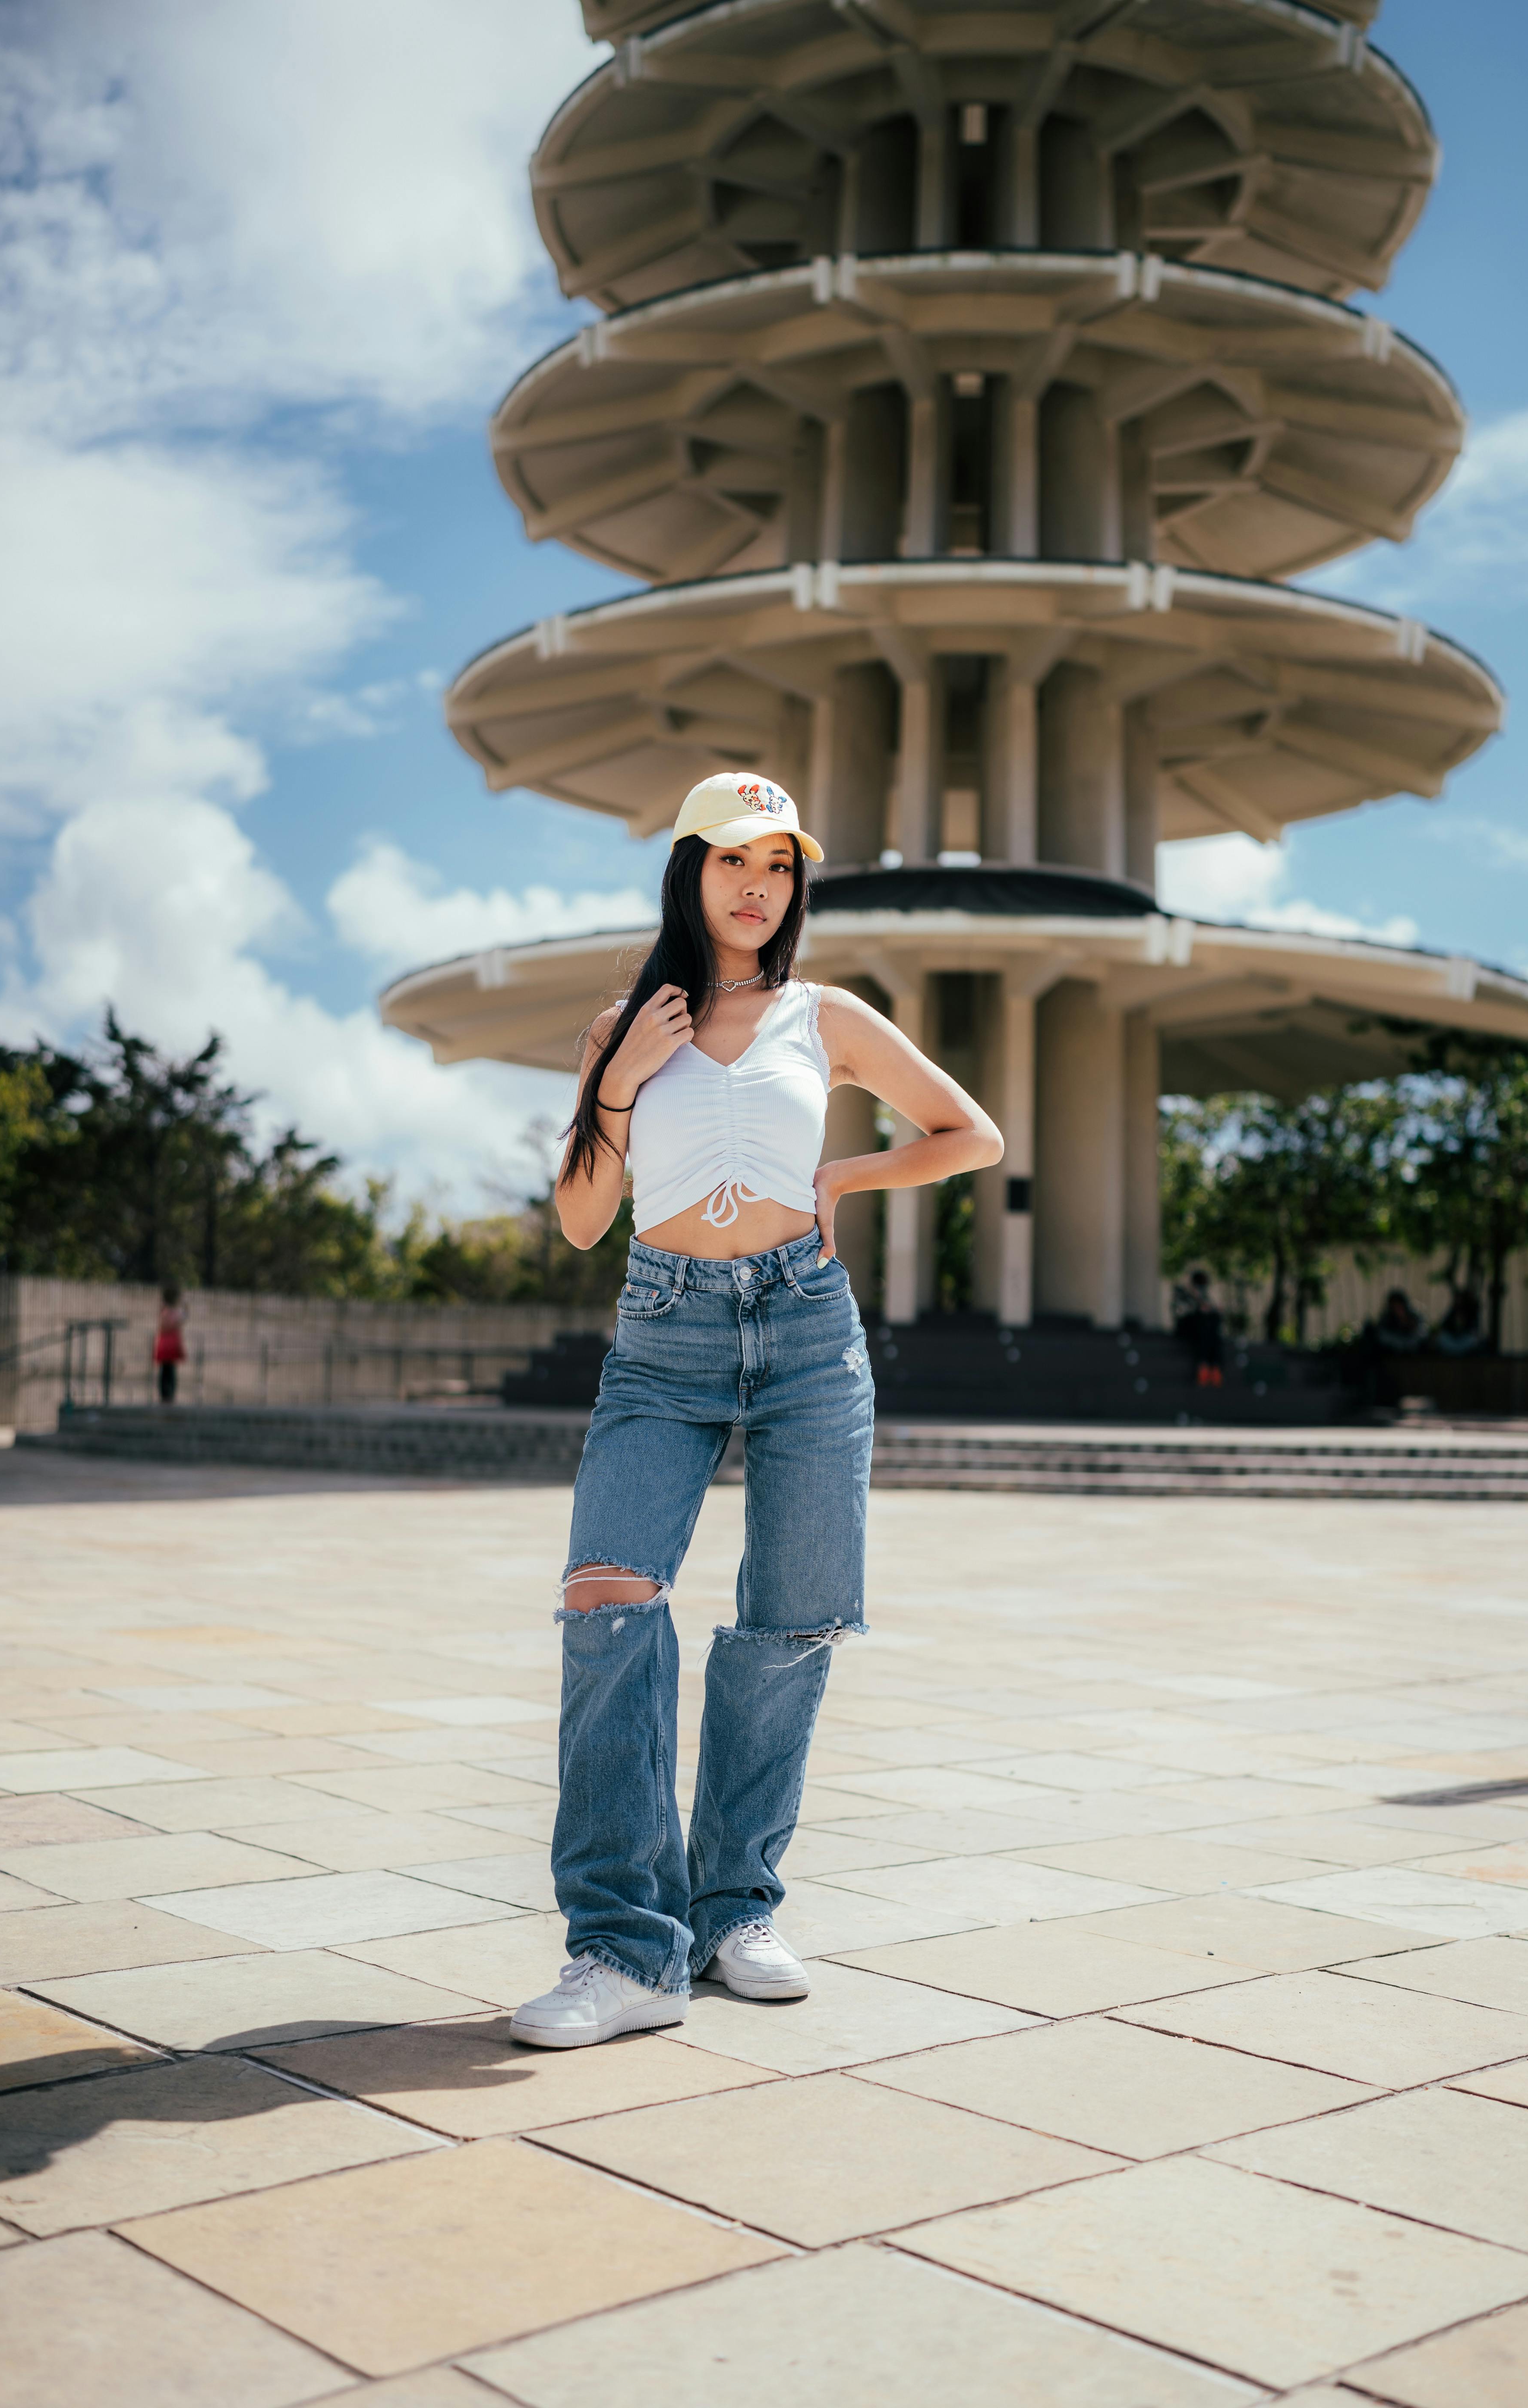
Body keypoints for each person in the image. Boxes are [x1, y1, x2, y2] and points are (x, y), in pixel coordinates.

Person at [509, 771, 1003, 2049]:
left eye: (780, 865)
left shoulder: (824, 1014)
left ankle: (733, 1910)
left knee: (787, 1625)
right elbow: (576, 1220)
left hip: (804, 1328)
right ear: (689, 869)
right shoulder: (623, 1025)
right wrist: (618, 1081)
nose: (758, 885)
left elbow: (972, 1132)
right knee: (606, 1597)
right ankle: (625, 1948)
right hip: (664, 1332)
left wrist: (849, 1167)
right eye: (735, 858)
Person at [1173, 1266, 1225, 1388]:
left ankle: (1208, 1367)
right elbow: (1181, 1312)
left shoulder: (1205, 1296)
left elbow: (1210, 1309)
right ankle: (1209, 1367)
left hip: (1203, 1330)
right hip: (1189, 1327)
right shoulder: (1184, 1293)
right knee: (1206, 1323)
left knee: (1211, 1323)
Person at [152, 1286, 186, 1403]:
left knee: (170, 1371)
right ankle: (165, 1395)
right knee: (166, 1371)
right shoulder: (167, 1312)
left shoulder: (170, 1312)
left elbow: (181, 1320)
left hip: (171, 1344)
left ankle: (169, 1394)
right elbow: (167, 1326)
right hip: (167, 1344)